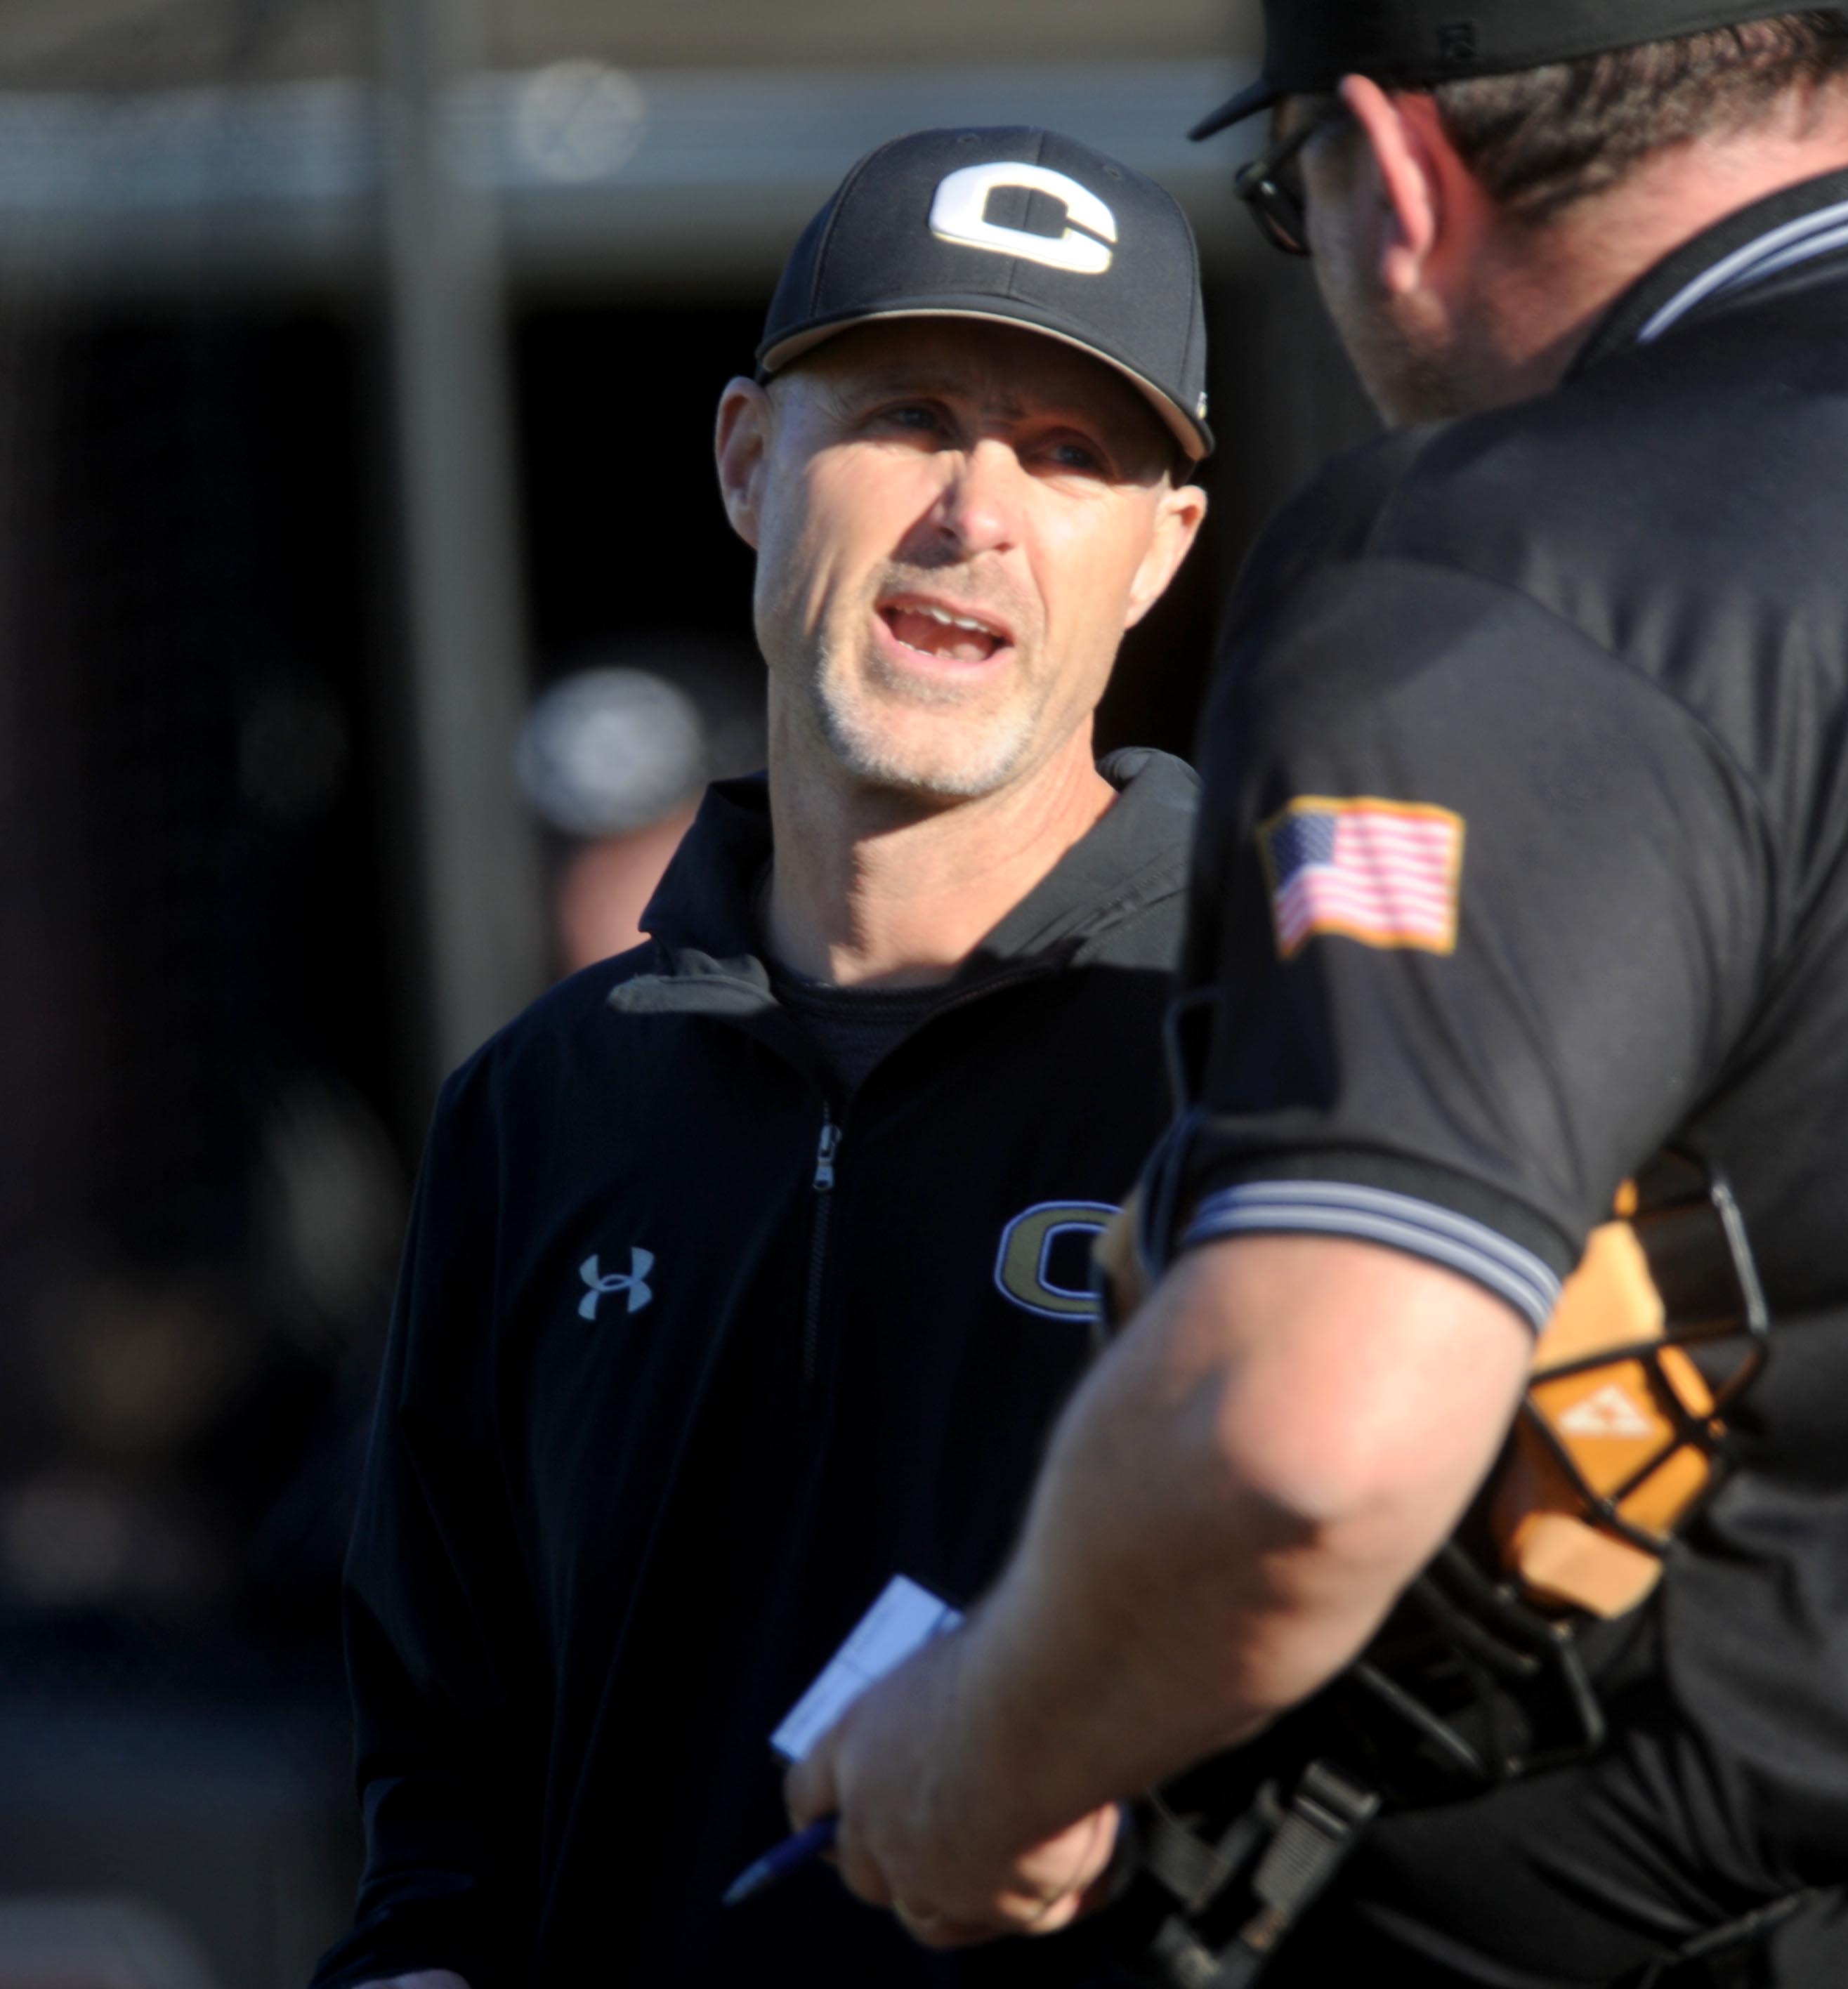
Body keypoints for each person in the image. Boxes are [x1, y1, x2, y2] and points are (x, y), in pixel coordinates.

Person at [786, 9, 1848, 1988]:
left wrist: (989, 1739)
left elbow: (1303, 1439)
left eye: (1294, 203)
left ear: (1402, 168)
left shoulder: (1509, 551)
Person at [309, 125, 1210, 1989]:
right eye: (908, 418)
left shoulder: (1292, 1046)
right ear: (746, 462)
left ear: (1160, 550)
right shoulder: (540, 1111)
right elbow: (449, 1789)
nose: (976, 512)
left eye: (1068, 456)